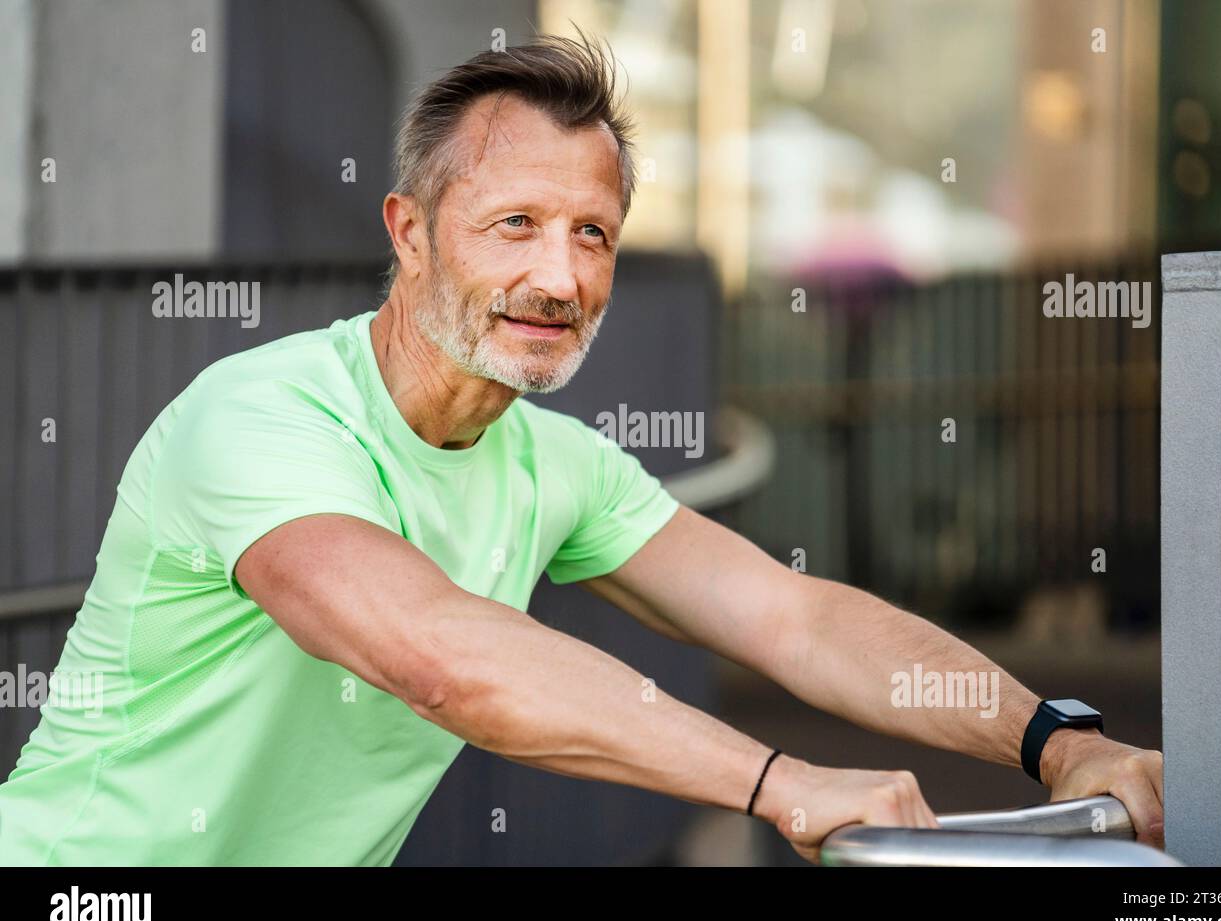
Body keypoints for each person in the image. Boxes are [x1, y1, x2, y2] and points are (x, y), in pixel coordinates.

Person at [0, 33, 1162, 866]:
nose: (560, 278)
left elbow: (790, 618)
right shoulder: (260, 417)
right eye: (515, 225)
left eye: (592, 234)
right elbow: (439, 657)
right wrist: (779, 781)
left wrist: (1052, 737)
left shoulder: (553, 463)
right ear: (409, 232)